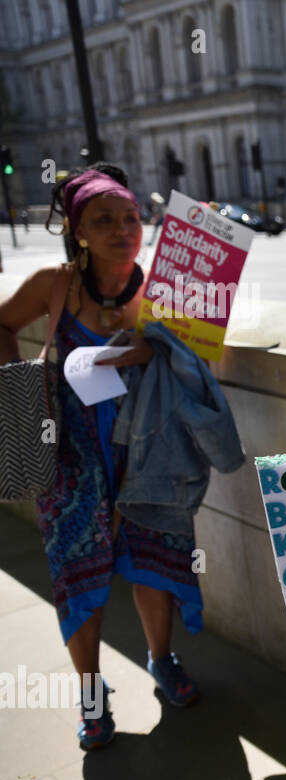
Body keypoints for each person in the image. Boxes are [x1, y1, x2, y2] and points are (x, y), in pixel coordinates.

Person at [0, 165, 213, 749]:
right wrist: (20, 385)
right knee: (77, 575)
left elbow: (195, 360)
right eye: (104, 220)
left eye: (129, 217)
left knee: (156, 562)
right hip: (71, 465)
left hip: (151, 460)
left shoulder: (162, 288)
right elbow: (3, 323)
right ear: (78, 231)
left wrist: (149, 346)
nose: (123, 229)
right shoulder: (56, 284)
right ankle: (91, 694)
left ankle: (161, 660)